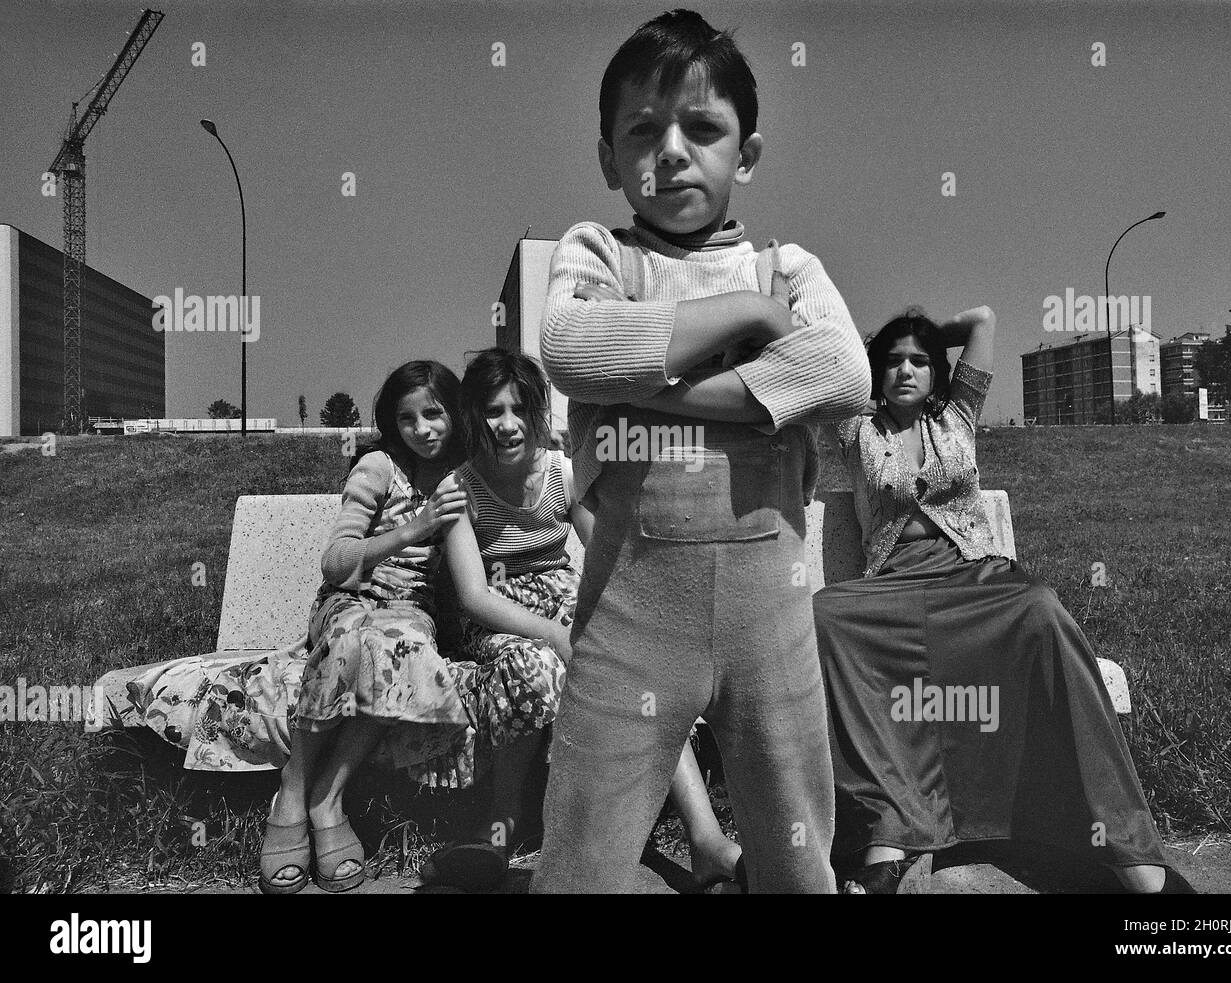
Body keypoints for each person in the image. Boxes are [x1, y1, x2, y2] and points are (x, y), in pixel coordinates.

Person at [534, 9, 872, 892]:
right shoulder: (598, 255)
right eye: (643, 130)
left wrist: (646, 382)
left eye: (702, 128)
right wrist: (751, 323)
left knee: (796, 854)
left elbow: (843, 372)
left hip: (774, 627)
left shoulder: (786, 269)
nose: (672, 152)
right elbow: (569, 345)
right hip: (626, 621)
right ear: (608, 157)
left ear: (746, 154)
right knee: (582, 854)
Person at [813, 306, 1194, 894]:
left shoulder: (958, 415)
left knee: (1041, 607)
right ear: (875, 371)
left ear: (938, 372)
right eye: (892, 362)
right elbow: (825, 354)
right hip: (894, 586)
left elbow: (985, 320)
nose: (906, 371)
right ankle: (886, 834)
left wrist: (923, 333)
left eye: (919, 361)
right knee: (826, 615)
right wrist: (876, 344)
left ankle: (1130, 854)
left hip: (972, 577)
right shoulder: (855, 428)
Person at [419, 348, 743, 891]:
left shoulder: (560, 473)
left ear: (537, 412)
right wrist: (553, 634)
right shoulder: (459, 489)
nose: (508, 425)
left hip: (565, 596)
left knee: (634, 665)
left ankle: (705, 838)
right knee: (533, 665)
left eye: (520, 409)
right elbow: (473, 597)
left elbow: (603, 555)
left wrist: (634, 616)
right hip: (501, 615)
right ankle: (502, 828)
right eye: (493, 411)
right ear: (474, 416)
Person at [259, 359, 580, 894]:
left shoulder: (465, 472)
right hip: (353, 599)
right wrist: (414, 529)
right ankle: (293, 791)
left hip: (411, 612)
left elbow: (518, 475)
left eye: (434, 415)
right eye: (408, 419)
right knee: (354, 641)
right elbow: (336, 562)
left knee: (401, 649)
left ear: (457, 415)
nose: (423, 430)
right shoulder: (381, 467)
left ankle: (327, 799)